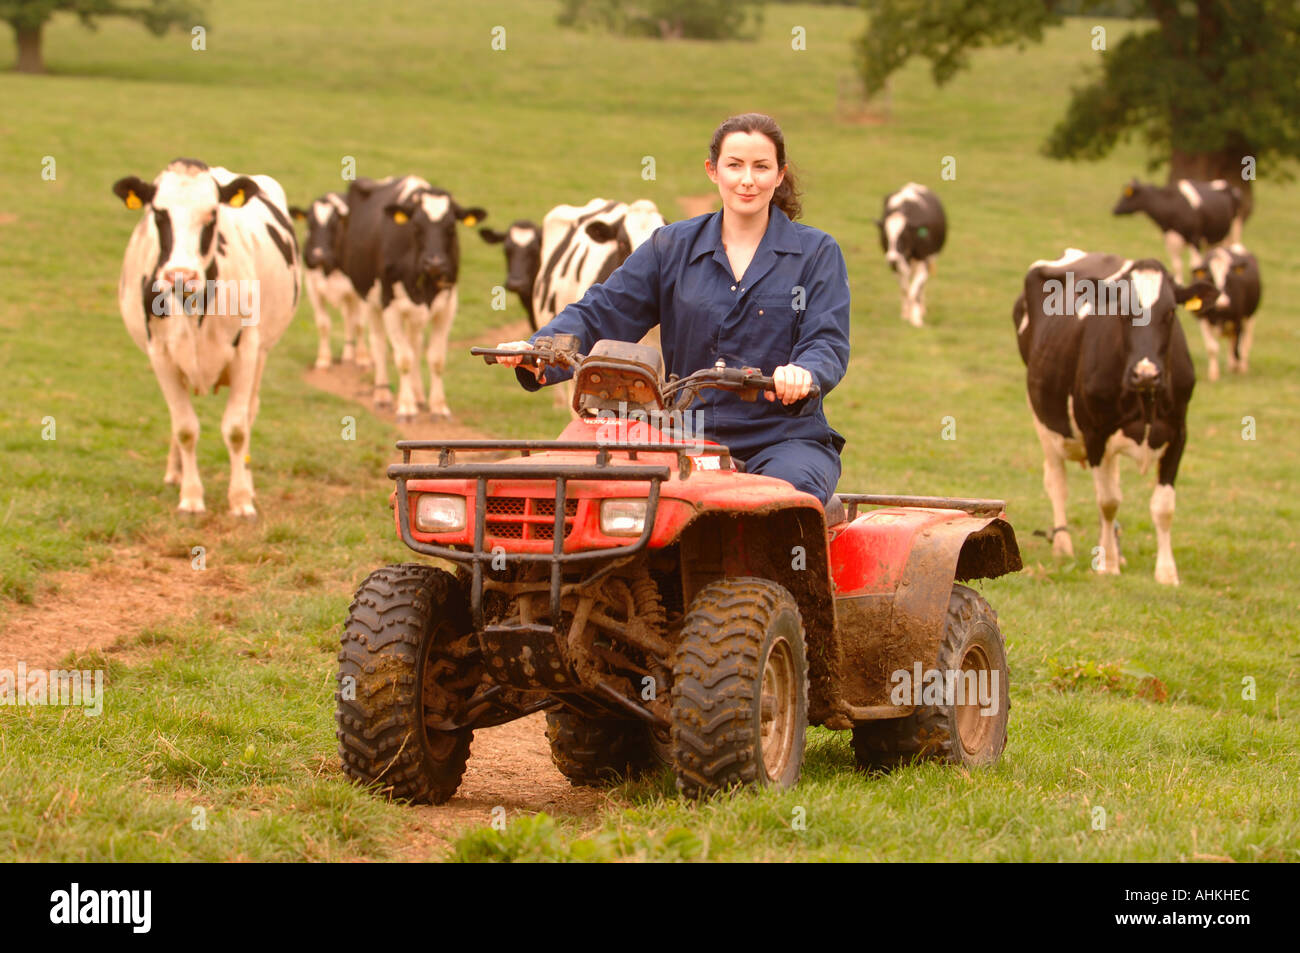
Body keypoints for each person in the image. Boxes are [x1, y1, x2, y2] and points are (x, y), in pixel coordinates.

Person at [495, 113, 851, 504]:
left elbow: (826, 339)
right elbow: (604, 310)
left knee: (778, 504)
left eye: (761, 167)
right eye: (734, 165)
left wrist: (804, 372)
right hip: (684, 431)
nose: (747, 179)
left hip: (783, 436)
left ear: (779, 175)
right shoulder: (671, 246)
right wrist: (541, 351)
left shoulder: (817, 253)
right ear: (712, 171)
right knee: (609, 497)